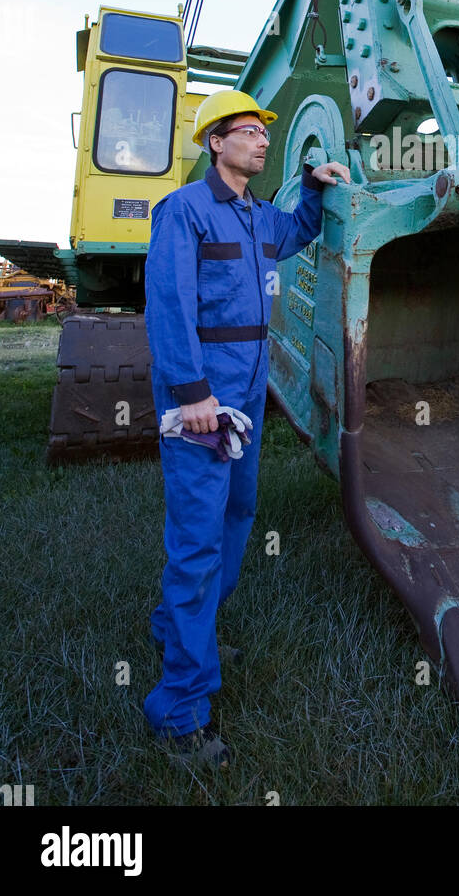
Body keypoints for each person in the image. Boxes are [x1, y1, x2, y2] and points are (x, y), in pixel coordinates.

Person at [143, 88, 350, 766]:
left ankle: (181, 627)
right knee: (198, 539)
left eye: (264, 132)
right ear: (215, 143)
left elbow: (299, 234)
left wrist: (315, 190)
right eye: (248, 132)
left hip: (247, 398)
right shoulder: (185, 210)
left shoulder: (260, 217)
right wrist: (195, 392)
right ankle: (179, 711)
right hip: (204, 398)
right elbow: (169, 304)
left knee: (238, 513)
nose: (263, 141)